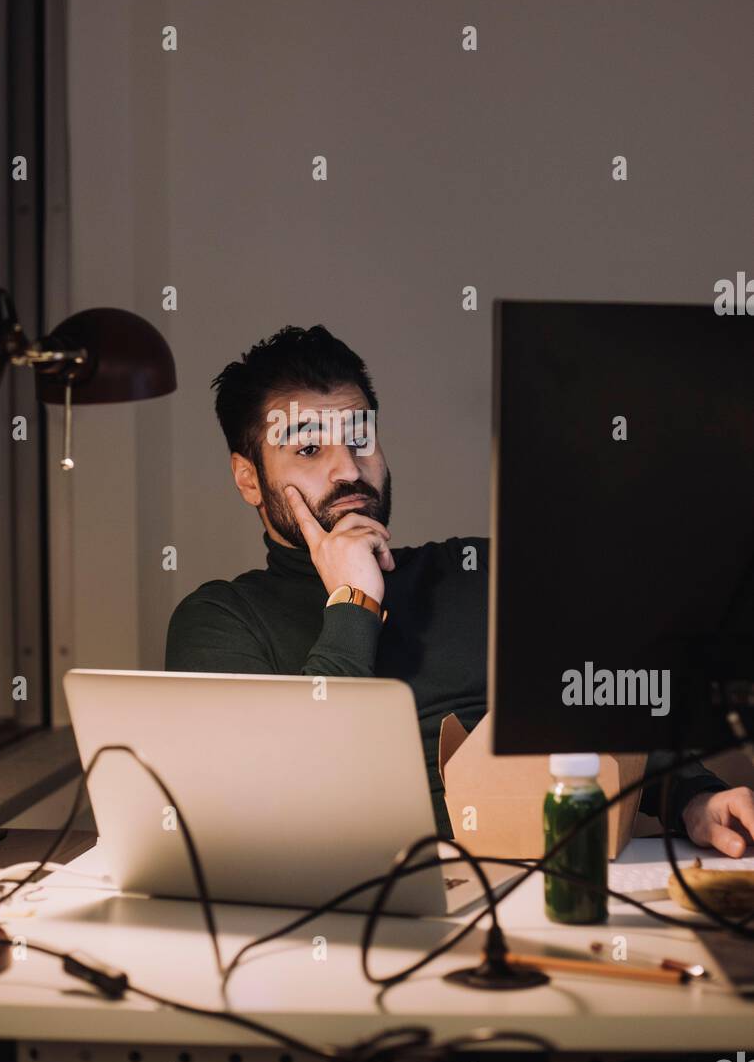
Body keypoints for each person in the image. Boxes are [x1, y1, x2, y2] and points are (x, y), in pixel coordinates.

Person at [166, 324, 754, 855]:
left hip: (542, 883)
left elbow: (610, 719)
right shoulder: (221, 619)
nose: (347, 468)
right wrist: (354, 604)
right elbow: (279, 803)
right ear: (249, 478)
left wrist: (695, 799)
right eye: (308, 449)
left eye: (360, 437)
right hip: (358, 912)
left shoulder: (477, 572)